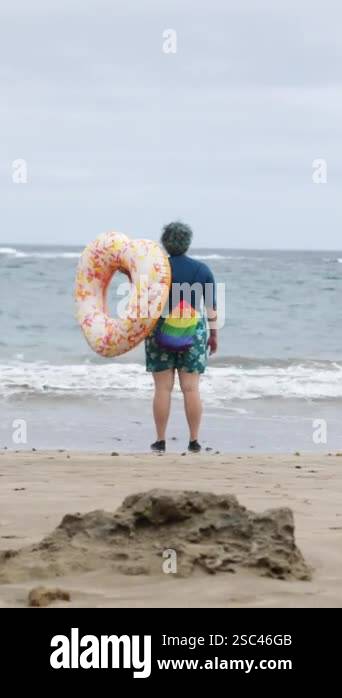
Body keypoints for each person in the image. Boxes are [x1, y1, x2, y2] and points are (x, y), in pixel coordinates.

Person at [145, 221, 218, 453]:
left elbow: (144, 305)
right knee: (191, 388)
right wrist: (213, 334)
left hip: (161, 329)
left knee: (162, 389)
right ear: (188, 243)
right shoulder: (202, 270)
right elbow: (211, 307)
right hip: (192, 329)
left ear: (165, 243)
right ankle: (194, 440)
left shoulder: (156, 270)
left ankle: (160, 440)